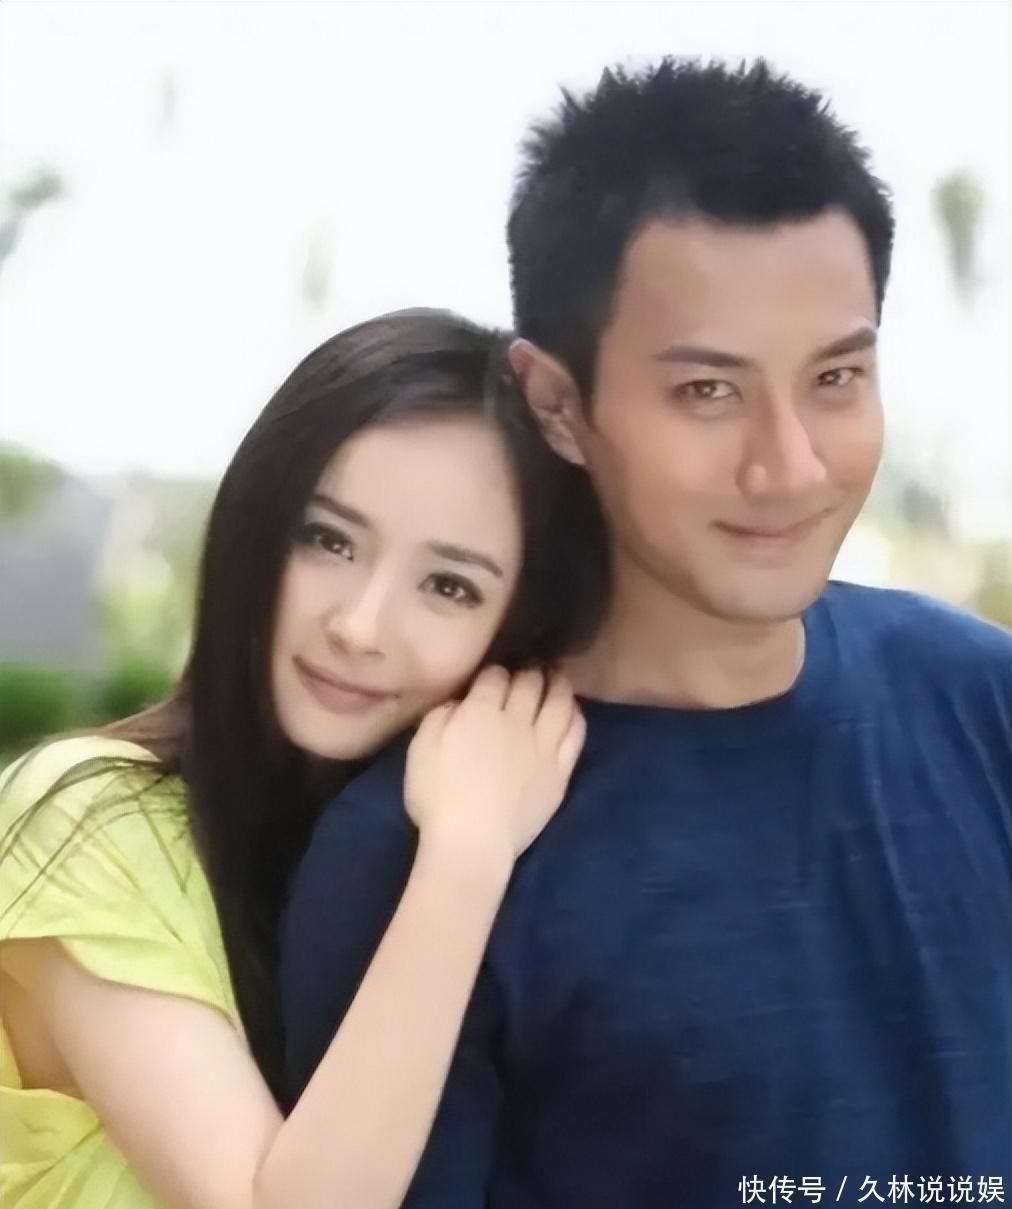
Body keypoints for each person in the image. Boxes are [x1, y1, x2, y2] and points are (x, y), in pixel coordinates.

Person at [281, 60, 1012, 1207]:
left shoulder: (983, 702)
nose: (789, 466)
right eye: (707, 392)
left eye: (835, 376)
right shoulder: (422, 849)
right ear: (556, 404)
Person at [0, 308, 610, 1209]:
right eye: (328, 539)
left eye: (448, 585)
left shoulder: (396, 847)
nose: (359, 625)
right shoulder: (89, 817)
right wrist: (467, 854)